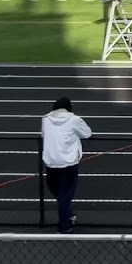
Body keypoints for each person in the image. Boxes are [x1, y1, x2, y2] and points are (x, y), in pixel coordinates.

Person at [41, 97, 92, 234]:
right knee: (65, 194)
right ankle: (64, 226)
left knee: (57, 192)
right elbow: (87, 133)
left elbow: (43, 135)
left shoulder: (45, 119)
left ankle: (68, 215)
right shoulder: (74, 120)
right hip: (68, 162)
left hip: (51, 161)